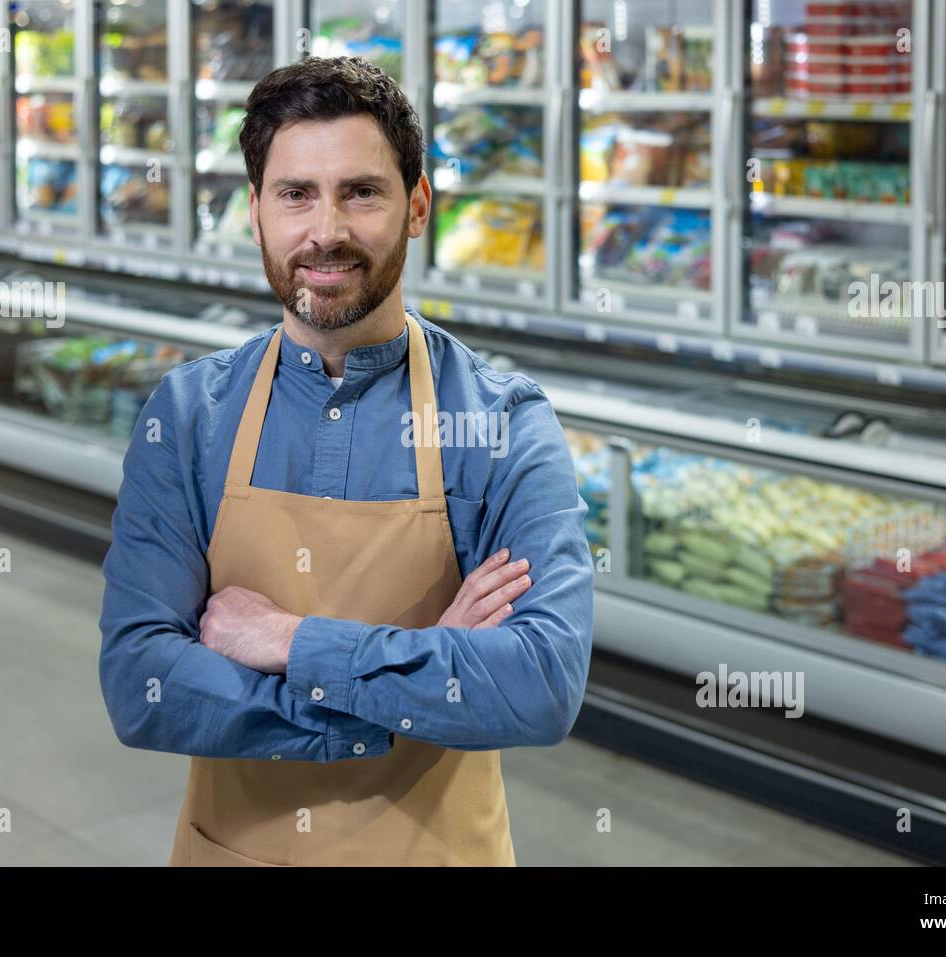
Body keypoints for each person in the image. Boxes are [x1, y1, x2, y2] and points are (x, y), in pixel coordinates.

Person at [98, 56, 594, 866]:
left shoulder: (502, 423)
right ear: (254, 212)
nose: (326, 229)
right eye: (296, 193)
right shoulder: (188, 419)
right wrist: (406, 689)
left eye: (361, 191)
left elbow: (539, 683)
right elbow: (140, 683)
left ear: (418, 206)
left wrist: (291, 641)